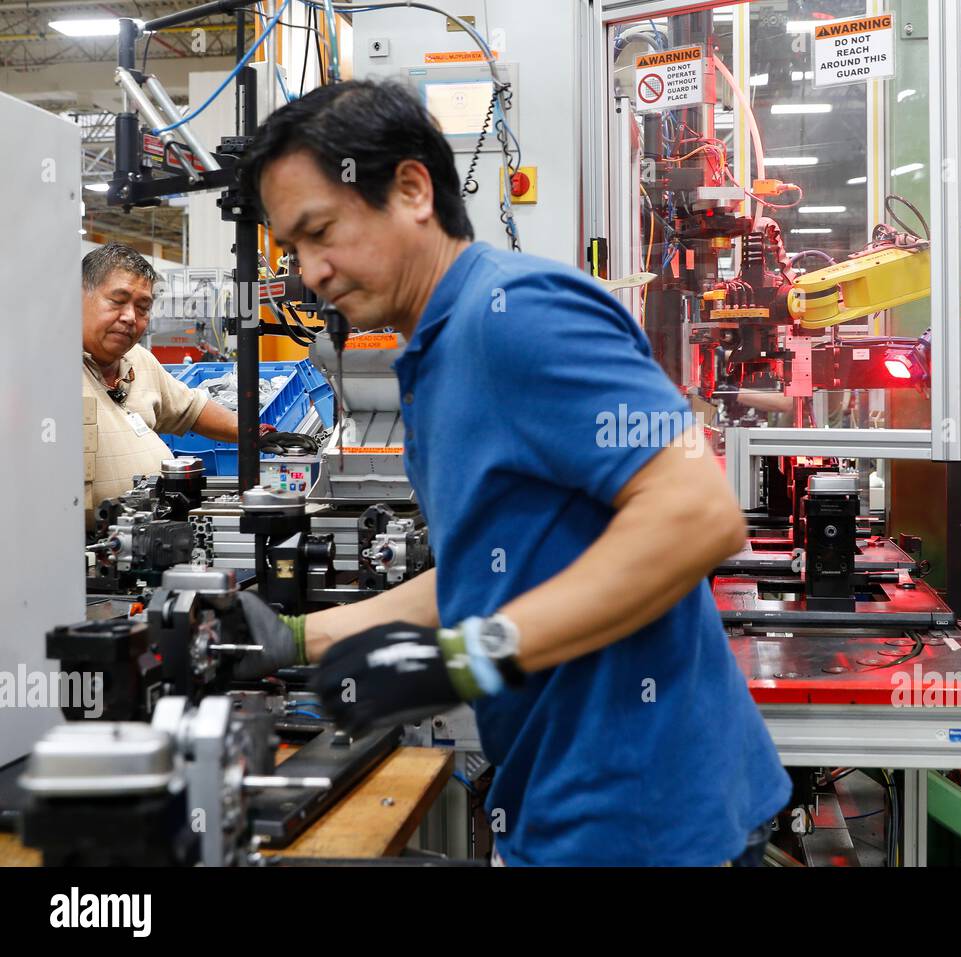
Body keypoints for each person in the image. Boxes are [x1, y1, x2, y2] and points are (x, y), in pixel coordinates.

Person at [236, 80, 791, 866]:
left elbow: (699, 513)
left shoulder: (514, 316)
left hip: (642, 821)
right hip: (561, 801)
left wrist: (467, 656)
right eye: (292, 249)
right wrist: (292, 637)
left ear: (412, 189)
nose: (311, 270)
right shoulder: (436, 349)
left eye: (320, 231)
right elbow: (494, 564)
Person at [81, 243, 270, 525]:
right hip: (88, 550)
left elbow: (192, 408)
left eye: (143, 307)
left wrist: (258, 434)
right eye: (118, 301)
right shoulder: (48, 371)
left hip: (151, 537)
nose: (131, 317)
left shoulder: (139, 360)